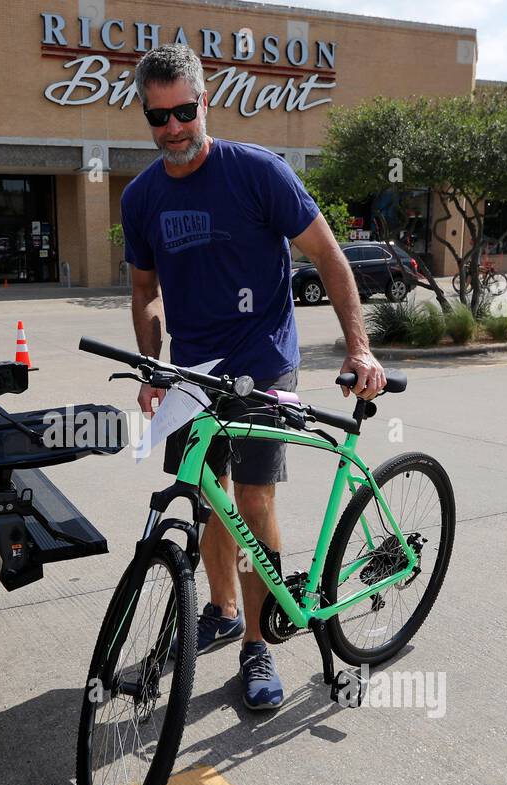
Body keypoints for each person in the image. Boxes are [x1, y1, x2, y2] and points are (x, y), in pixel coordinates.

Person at [120, 44, 386, 711]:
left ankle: (257, 646)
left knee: (253, 500)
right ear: (146, 117)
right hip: (191, 369)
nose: (174, 128)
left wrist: (359, 348)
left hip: (262, 362)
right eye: (160, 117)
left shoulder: (257, 173)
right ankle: (222, 608)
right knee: (203, 494)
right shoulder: (141, 196)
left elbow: (328, 256)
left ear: (204, 101)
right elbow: (145, 290)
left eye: (185, 111)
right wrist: (152, 368)